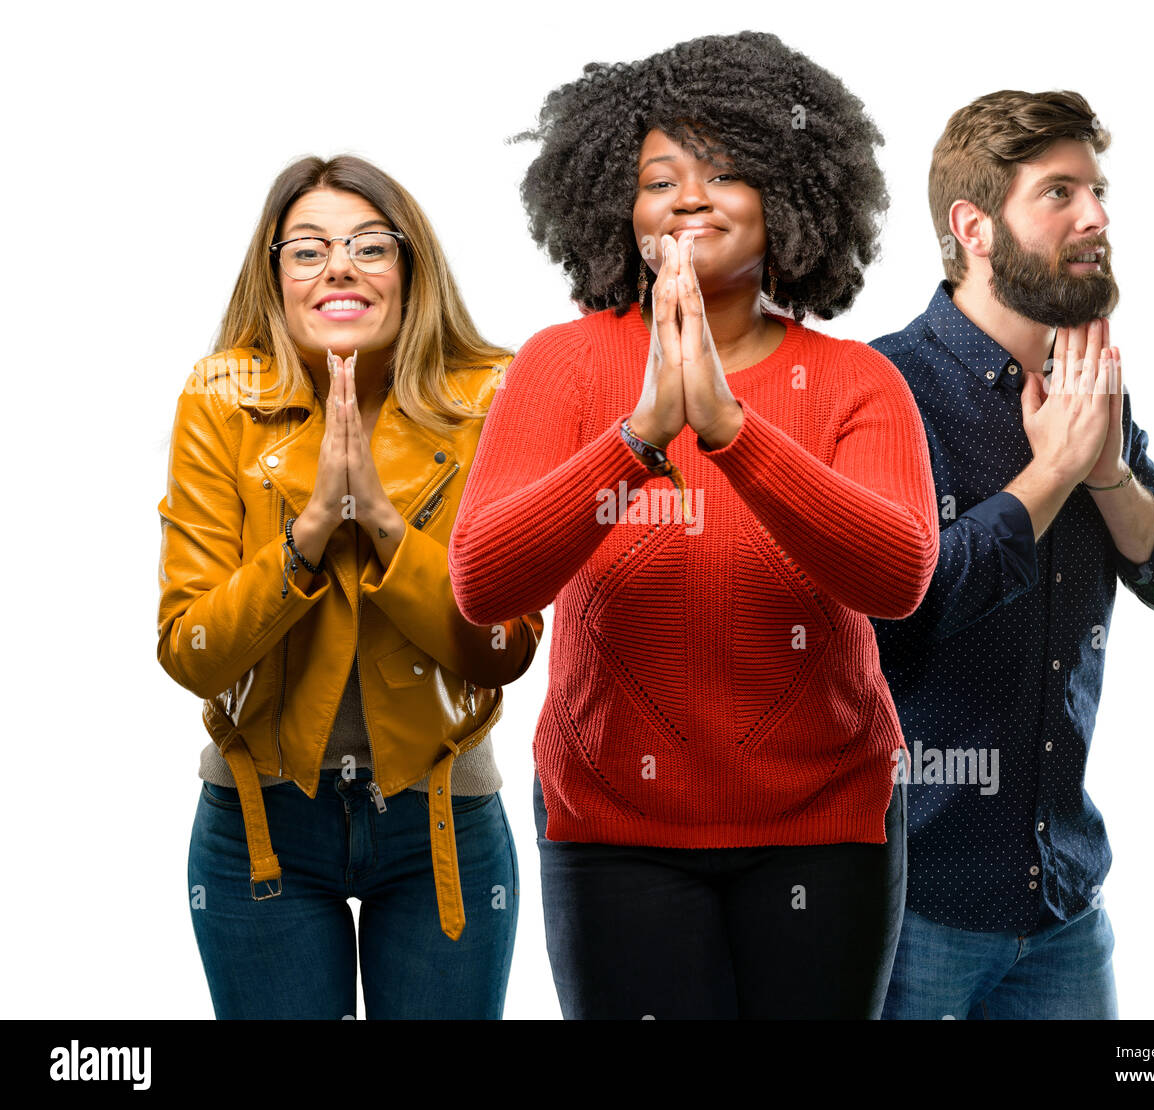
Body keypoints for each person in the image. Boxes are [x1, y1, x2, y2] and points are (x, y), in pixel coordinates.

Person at [448, 31, 939, 1019]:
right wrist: (636, 438)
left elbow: (896, 577)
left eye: (725, 172)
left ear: (793, 196)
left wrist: (730, 431)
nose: (686, 196)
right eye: (657, 177)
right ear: (614, 208)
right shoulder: (561, 366)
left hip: (823, 832)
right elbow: (484, 582)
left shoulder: (855, 382)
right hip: (613, 834)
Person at [156, 154, 544, 1019]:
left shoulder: (490, 397)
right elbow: (190, 651)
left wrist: (380, 522)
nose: (339, 266)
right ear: (275, 277)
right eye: (308, 250)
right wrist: (305, 539)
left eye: (371, 245)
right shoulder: (216, 401)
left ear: (411, 271)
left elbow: (506, 646)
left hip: (443, 819)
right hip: (258, 823)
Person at [869, 90, 1154, 1019]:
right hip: (915, 917)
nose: (1097, 217)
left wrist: (1107, 474)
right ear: (974, 226)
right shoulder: (881, 392)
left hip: (1064, 913)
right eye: (1059, 193)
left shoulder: (1088, 390)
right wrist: (1052, 474)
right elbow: (897, 613)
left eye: (1098, 192)